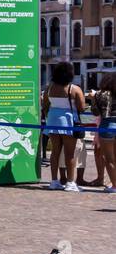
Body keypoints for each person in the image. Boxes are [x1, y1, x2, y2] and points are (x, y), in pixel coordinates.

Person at [42, 63, 86, 191]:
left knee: (55, 152)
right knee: (69, 154)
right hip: (68, 122)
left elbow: (45, 104)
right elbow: (82, 107)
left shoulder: (49, 87)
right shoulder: (74, 88)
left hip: (52, 120)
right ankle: (70, 182)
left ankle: (54, 180)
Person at [92, 74, 116, 194]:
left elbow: (95, 111)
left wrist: (93, 98)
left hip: (107, 126)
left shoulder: (100, 94)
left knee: (109, 159)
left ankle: (114, 186)